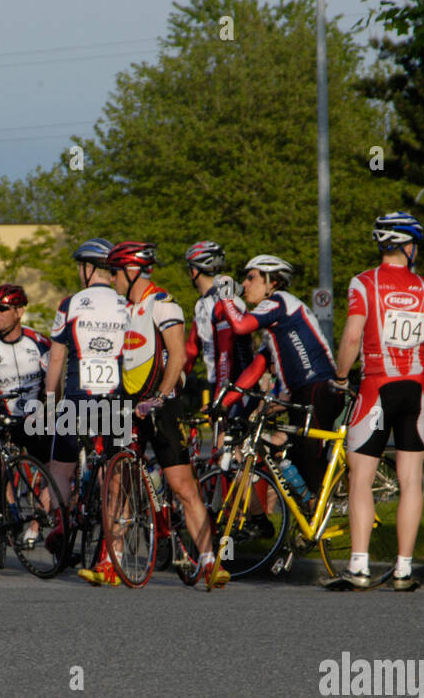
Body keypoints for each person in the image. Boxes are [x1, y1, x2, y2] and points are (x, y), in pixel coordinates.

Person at [330, 212, 424, 590]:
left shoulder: (364, 283)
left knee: (361, 479)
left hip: (376, 388)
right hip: (416, 391)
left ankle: (359, 565)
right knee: (409, 481)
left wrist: (340, 376)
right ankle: (403, 569)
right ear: (407, 245)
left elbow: (352, 338)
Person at [102, 240, 228, 589]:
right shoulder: (126, 310)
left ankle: (208, 561)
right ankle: (109, 561)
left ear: (132, 271)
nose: (111, 280)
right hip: (127, 403)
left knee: (182, 486)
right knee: (116, 484)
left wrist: (158, 398)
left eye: (114, 272)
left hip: (161, 403)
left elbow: (177, 355)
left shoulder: (163, 304)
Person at [216, 255, 340, 508]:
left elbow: (240, 326)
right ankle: (310, 520)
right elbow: (256, 368)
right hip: (302, 393)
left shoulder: (280, 302)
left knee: (309, 461)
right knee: (288, 461)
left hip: (317, 387)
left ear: (272, 281)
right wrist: (225, 403)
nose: (245, 284)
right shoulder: (275, 325)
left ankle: (332, 508)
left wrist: (226, 296)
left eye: (251, 277)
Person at [44, 238, 131, 580]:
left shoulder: (71, 303)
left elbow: (56, 359)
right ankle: (115, 552)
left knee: (61, 467)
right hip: (115, 397)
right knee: (116, 474)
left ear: (88, 268)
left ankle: (62, 529)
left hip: (78, 397)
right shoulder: (127, 303)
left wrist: (50, 401)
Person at [0, 283, 52, 464]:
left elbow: (53, 381)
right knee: (3, 474)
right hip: (6, 423)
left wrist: (47, 409)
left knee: (52, 470)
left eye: (2, 309)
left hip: (37, 419)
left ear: (19, 311)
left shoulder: (40, 342)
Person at [182, 240, 252, 411]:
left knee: (227, 436)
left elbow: (226, 355)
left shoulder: (226, 301)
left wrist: (220, 395)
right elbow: (191, 349)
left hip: (235, 383)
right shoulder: (201, 305)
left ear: (193, 271)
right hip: (217, 381)